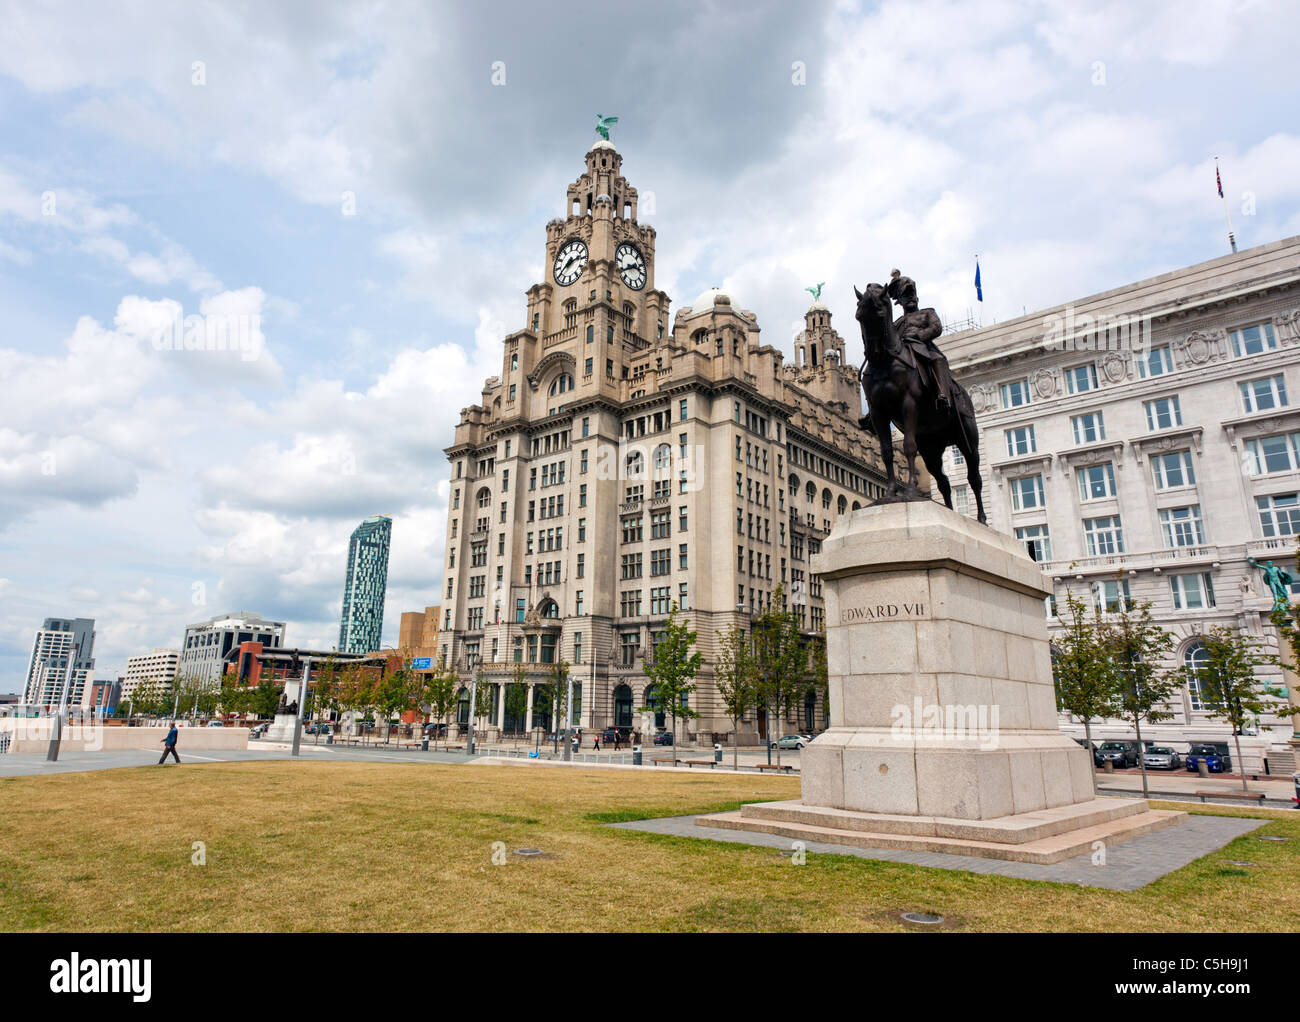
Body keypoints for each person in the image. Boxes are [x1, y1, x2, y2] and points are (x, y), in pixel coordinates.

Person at [886, 269, 957, 412]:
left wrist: (918, 335)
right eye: (906, 295)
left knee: (938, 359)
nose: (911, 297)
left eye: (912, 294)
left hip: (924, 349)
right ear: (900, 301)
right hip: (904, 354)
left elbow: (936, 328)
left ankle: (942, 394)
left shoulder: (927, 313)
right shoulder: (897, 323)